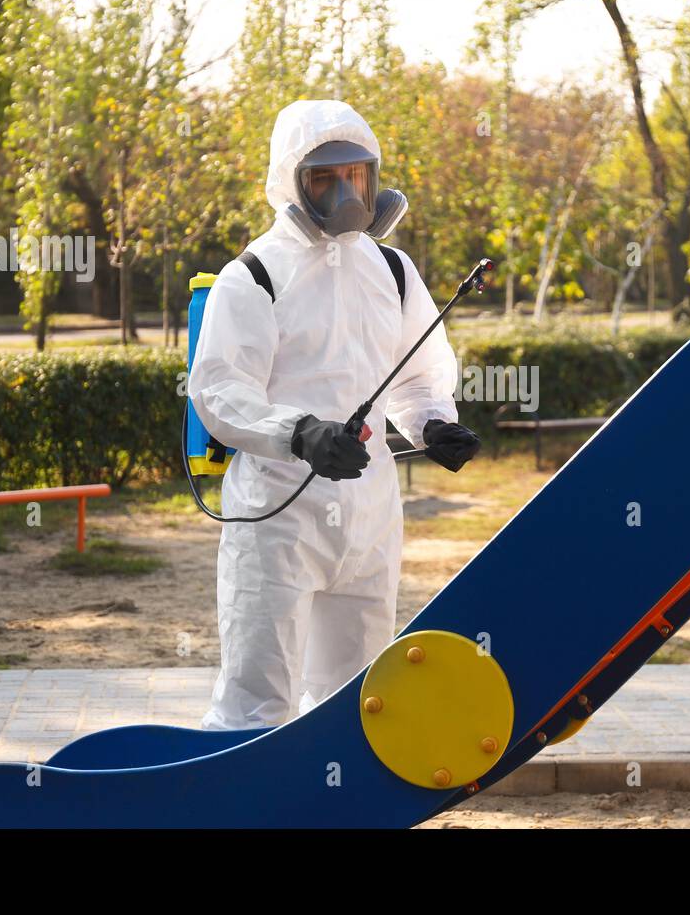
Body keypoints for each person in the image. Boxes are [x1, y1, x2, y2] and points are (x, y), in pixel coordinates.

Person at [189, 100, 481, 729]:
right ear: (291, 180)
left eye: (358, 175)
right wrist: (299, 432)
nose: (347, 193)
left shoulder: (395, 271)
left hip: (370, 506)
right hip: (277, 513)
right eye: (326, 178)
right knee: (257, 699)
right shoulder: (256, 274)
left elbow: (416, 373)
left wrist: (431, 424)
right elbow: (219, 391)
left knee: (359, 701)